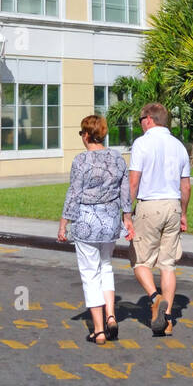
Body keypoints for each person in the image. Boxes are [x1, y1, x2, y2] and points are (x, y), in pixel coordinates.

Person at [57, 114, 134, 345]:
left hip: (87, 222)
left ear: (88, 135)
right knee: (106, 266)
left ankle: (99, 330)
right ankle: (111, 314)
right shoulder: (117, 158)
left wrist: (63, 224)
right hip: (110, 222)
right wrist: (127, 218)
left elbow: (74, 194)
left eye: (82, 133)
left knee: (90, 273)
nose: (81, 137)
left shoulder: (81, 161)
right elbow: (125, 190)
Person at [128, 102, 191, 336]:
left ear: (149, 119)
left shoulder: (142, 144)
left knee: (140, 261)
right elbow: (186, 186)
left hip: (149, 205)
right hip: (173, 205)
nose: (140, 124)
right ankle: (168, 320)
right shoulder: (179, 146)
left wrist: (126, 213)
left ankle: (155, 298)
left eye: (140, 120)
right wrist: (183, 213)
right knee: (168, 265)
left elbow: (133, 182)